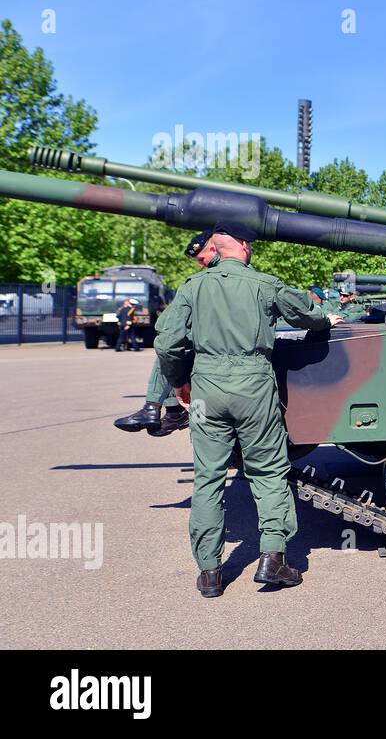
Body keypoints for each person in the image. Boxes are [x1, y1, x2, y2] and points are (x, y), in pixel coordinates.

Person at [155, 221, 343, 598]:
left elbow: (167, 342)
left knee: (208, 477)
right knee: (268, 471)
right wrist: (327, 319)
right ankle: (272, 559)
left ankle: (209, 573)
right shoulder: (263, 284)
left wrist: (179, 382)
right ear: (242, 246)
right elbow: (305, 313)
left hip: (207, 386)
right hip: (254, 385)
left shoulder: (193, 287)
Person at [114, 230, 217, 435]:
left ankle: (164, 409)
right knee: (207, 438)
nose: (200, 265)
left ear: (214, 248)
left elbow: (168, 337)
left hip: (213, 375)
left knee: (171, 348)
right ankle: (165, 410)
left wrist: (178, 382)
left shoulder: (199, 284)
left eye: (201, 259)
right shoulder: (251, 281)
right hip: (231, 378)